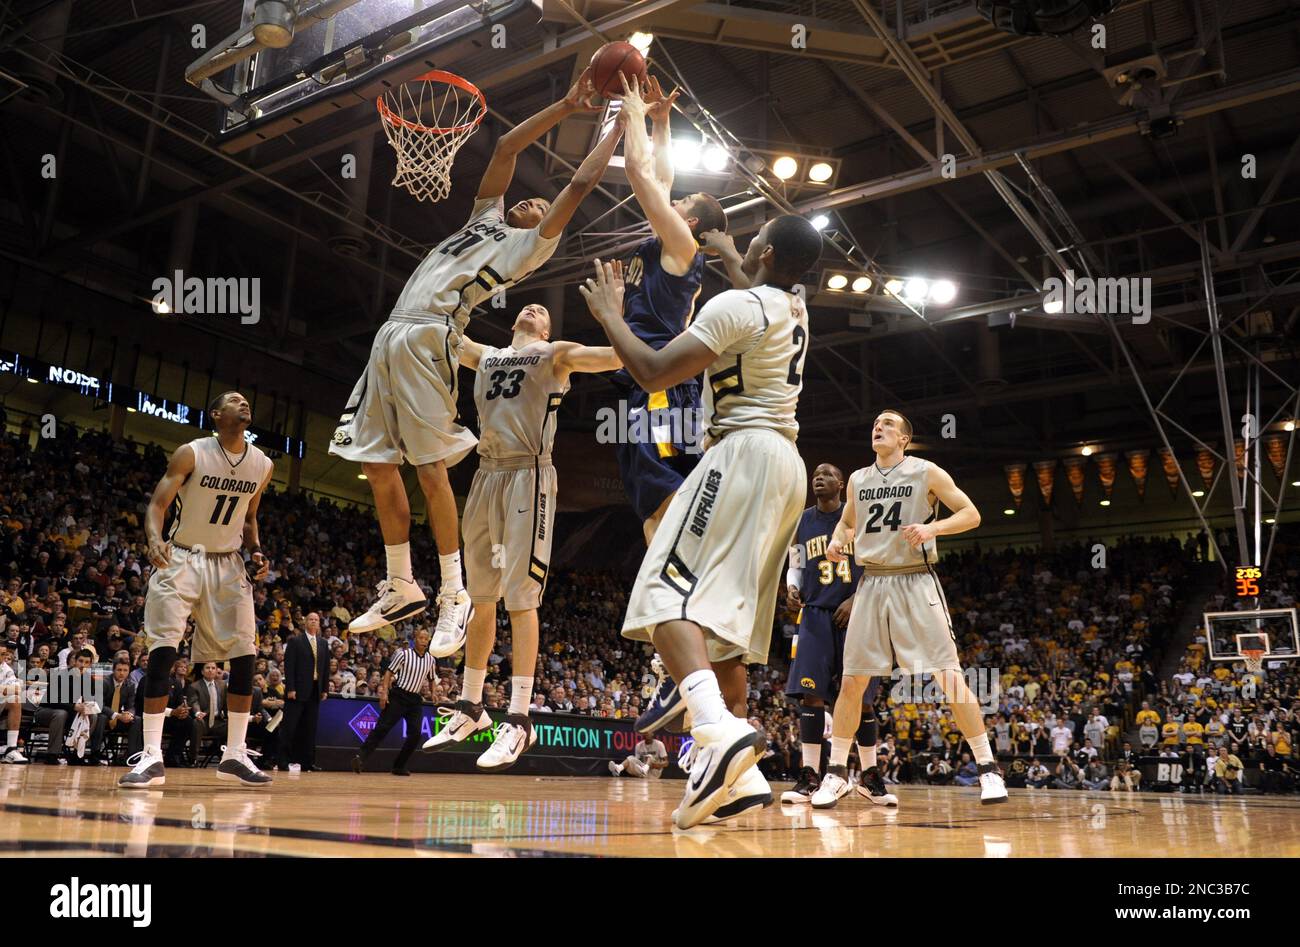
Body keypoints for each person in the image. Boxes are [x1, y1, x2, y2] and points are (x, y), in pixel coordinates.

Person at [330, 69, 622, 649]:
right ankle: (399, 582)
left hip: (431, 334)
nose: (536, 200)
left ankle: (453, 592)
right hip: (390, 335)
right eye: (530, 199)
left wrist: (613, 124)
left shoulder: (528, 246)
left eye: (543, 206)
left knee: (430, 467)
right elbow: (509, 144)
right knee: (378, 463)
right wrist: (567, 102)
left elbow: (580, 186)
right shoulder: (484, 218)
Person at [579, 212, 824, 828]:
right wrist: (733, 249)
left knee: (662, 593)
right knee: (721, 630)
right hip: (786, 467)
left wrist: (611, 315)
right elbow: (756, 282)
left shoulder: (733, 309)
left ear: (765, 249)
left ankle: (714, 730)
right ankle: (740, 776)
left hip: (740, 454)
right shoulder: (794, 309)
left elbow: (654, 371)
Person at [421, 307, 620, 770]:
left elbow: (616, 357)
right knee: (482, 597)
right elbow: (441, 335)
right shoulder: (486, 355)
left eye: (543, 311)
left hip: (528, 476)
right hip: (486, 475)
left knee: (521, 599)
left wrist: (617, 316)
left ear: (548, 329)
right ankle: (471, 706)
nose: (533, 308)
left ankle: (519, 717)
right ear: (513, 322)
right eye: (527, 306)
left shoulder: (555, 354)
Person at [812, 410, 1007, 807]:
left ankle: (988, 770)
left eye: (887, 424)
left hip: (916, 579)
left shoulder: (926, 471)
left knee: (949, 676)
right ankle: (834, 775)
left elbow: (972, 514)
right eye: (875, 424)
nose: (878, 427)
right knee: (852, 682)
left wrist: (933, 528)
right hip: (872, 583)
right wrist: (837, 541)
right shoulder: (858, 479)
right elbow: (847, 524)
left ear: (904, 439)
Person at [119, 391, 272, 789]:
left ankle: (234, 755)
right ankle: (151, 756)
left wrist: (256, 552)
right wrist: (154, 540)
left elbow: (251, 518)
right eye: (235, 400)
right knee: (163, 652)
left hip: (228, 562)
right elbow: (157, 505)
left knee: (244, 655)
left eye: (246, 400)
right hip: (183, 557)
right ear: (217, 414)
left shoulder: (263, 464)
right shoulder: (191, 453)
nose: (244, 403)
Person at [780, 463, 893, 808]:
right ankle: (810, 776)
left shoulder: (858, 516)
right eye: (816, 473)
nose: (819, 477)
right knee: (810, 696)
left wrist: (856, 598)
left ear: (841, 484)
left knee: (862, 697)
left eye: (828, 474)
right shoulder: (802, 520)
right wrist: (792, 588)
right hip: (814, 614)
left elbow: (879, 564)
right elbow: (796, 562)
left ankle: (870, 776)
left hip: (857, 615)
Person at [354, 629, 438, 776]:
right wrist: (384, 692)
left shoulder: (431, 660)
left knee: (416, 734)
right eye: (421, 637)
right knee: (382, 727)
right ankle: (360, 757)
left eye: (426, 638)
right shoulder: (403, 654)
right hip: (399, 695)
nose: (423, 640)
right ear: (415, 639)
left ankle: (399, 766)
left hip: (415, 699)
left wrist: (434, 693)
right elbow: (389, 672)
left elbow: (431, 679)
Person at [279, 612, 330, 772]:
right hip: (297, 690)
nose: (314, 622)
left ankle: (307, 762)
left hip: (315, 690)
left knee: (310, 728)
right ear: (305, 622)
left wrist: (325, 689)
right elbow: (289, 666)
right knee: (290, 727)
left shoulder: (323, 643)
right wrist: (291, 688)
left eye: (316, 620)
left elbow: (325, 668)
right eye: (311, 619)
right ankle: (283, 761)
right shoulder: (295, 641)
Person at [187, 661, 228, 758]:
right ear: (202, 671)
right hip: (203, 721)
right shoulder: (194, 686)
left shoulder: (222, 685)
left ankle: (230, 757)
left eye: (213, 668)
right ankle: (193, 758)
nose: (210, 670)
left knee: (234, 726)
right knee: (197, 723)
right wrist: (197, 712)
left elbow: (226, 704)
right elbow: (193, 701)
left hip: (218, 721)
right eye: (208, 668)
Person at [0, 642, 27, 762]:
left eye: (2, 654)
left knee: (16, 700)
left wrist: (2, 690)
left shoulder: (5, 668)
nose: (1, 658)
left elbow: (17, 688)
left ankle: (10, 749)